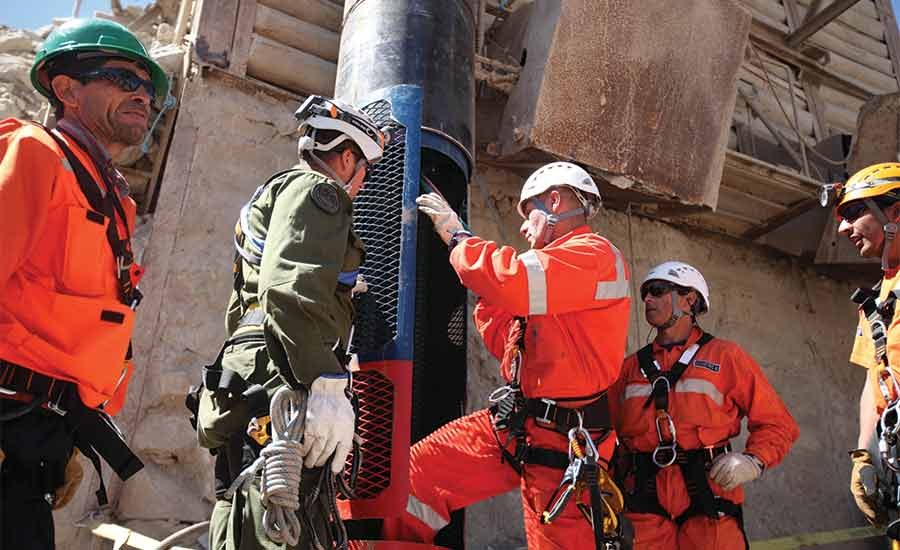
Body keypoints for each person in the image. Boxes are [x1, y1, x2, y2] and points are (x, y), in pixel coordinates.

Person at [382, 161, 632, 548]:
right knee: (415, 479)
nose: (522, 226)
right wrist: (489, 289)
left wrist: (459, 238)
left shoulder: (592, 254)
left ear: (554, 200)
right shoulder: (553, 278)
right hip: (519, 426)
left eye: (527, 212)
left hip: (567, 443)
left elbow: (513, 280)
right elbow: (509, 346)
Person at [0, 17, 169, 550]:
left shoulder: (110, 197)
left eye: (149, 87)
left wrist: (65, 440)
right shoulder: (35, 154)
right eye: (123, 78)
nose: (142, 93)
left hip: (40, 435)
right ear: (66, 89)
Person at [192, 95, 386, 549]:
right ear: (345, 157)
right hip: (282, 379)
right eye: (366, 170)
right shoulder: (320, 192)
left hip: (254, 377)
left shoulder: (275, 194)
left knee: (244, 515)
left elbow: (252, 306)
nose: (362, 183)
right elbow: (289, 290)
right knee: (274, 524)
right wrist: (325, 380)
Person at [610, 261, 799, 549]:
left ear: (690, 300)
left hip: (710, 503)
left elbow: (778, 423)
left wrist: (753, 460)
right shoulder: (630, 368)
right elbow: (605, 435)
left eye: (658, 290)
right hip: (643, 507)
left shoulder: (726, 357)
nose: (647, 299)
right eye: (645, 293)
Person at [828, 163, 900, 531]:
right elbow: (876, 381)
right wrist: (865, 456)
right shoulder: (875, 302)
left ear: (896, 212)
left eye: (854, 212)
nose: (843, 228)